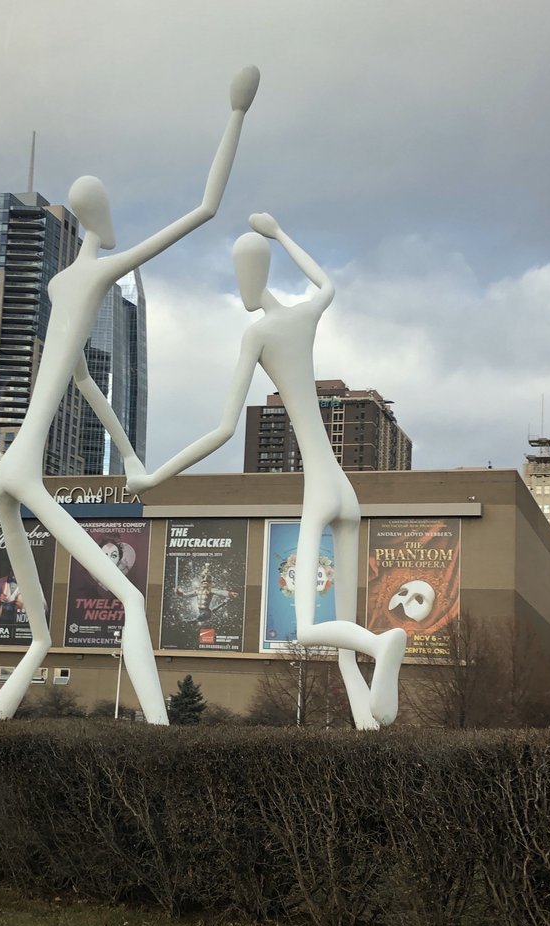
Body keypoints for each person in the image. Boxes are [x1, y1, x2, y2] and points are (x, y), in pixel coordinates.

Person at [0, 67, 260, 724]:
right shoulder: (100, 273)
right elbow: (205, 209)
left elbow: (82, 380)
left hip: (6, 470)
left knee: (41, 635)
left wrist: (129, 453)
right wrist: (237, 114)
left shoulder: (59, 289)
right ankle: (159, 738)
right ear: (97, 218)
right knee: (132, 602)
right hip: (23, 475)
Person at [127, 214, 406, 727]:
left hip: (320, 491)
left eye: (242, 275)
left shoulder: (257, 334)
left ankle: (378, 643)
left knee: (308, 629)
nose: (241, 287)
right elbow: (327, 284)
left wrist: (154, 477)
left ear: (249, 278)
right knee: (340, 641)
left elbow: (223, 429)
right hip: (346, 489)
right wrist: (279, 233)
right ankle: (369, 727)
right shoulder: (304, 315)